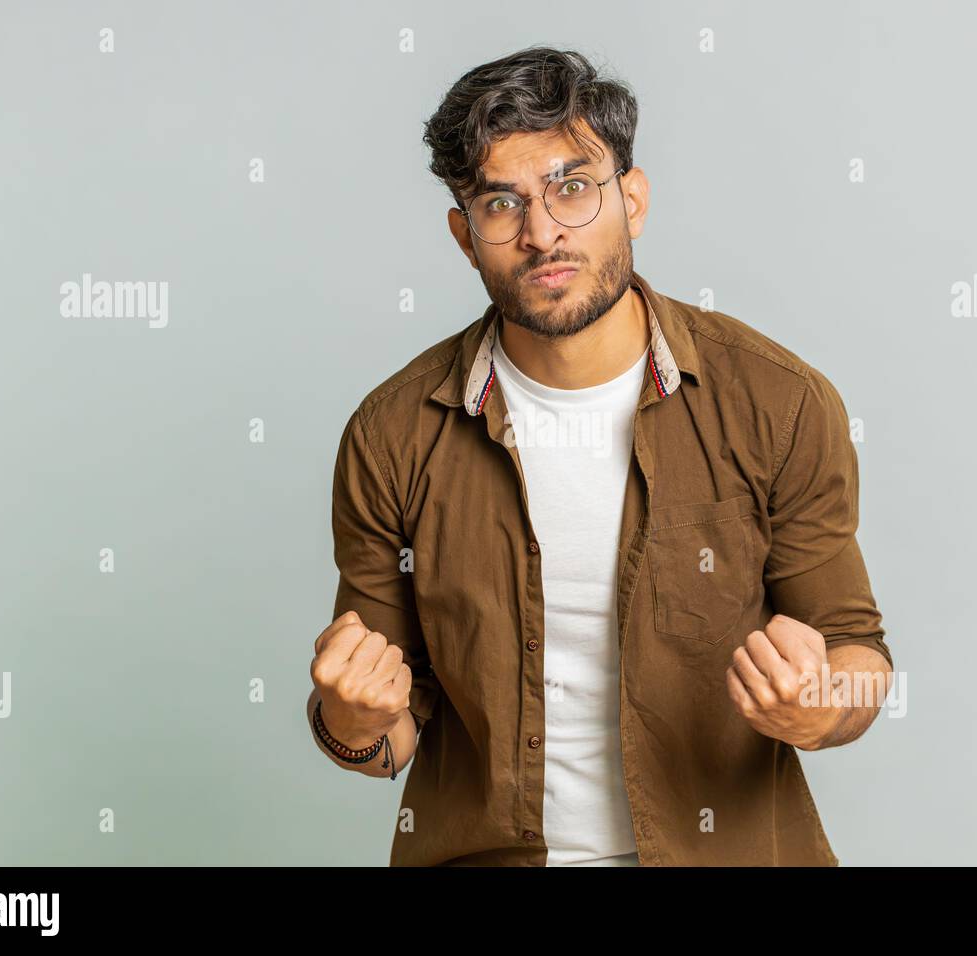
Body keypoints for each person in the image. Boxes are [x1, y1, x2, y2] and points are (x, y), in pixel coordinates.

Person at [307, 46, 893, 867]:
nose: (543, 232)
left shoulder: (779, 403)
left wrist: (823, 706)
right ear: (464, 236)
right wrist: (354, 722)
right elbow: (386, 729)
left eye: (572, 188)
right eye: (501, 204)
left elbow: (857, 650)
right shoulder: (393, 433)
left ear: (634, 199)